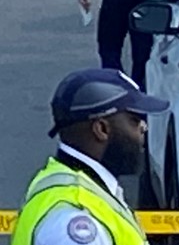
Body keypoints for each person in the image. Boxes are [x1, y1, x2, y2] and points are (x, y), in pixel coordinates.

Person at [10, 68, 169, 245]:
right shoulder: (74, 219)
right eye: (134, 120)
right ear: (102, 129)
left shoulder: (76, 186)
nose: (143, 128)